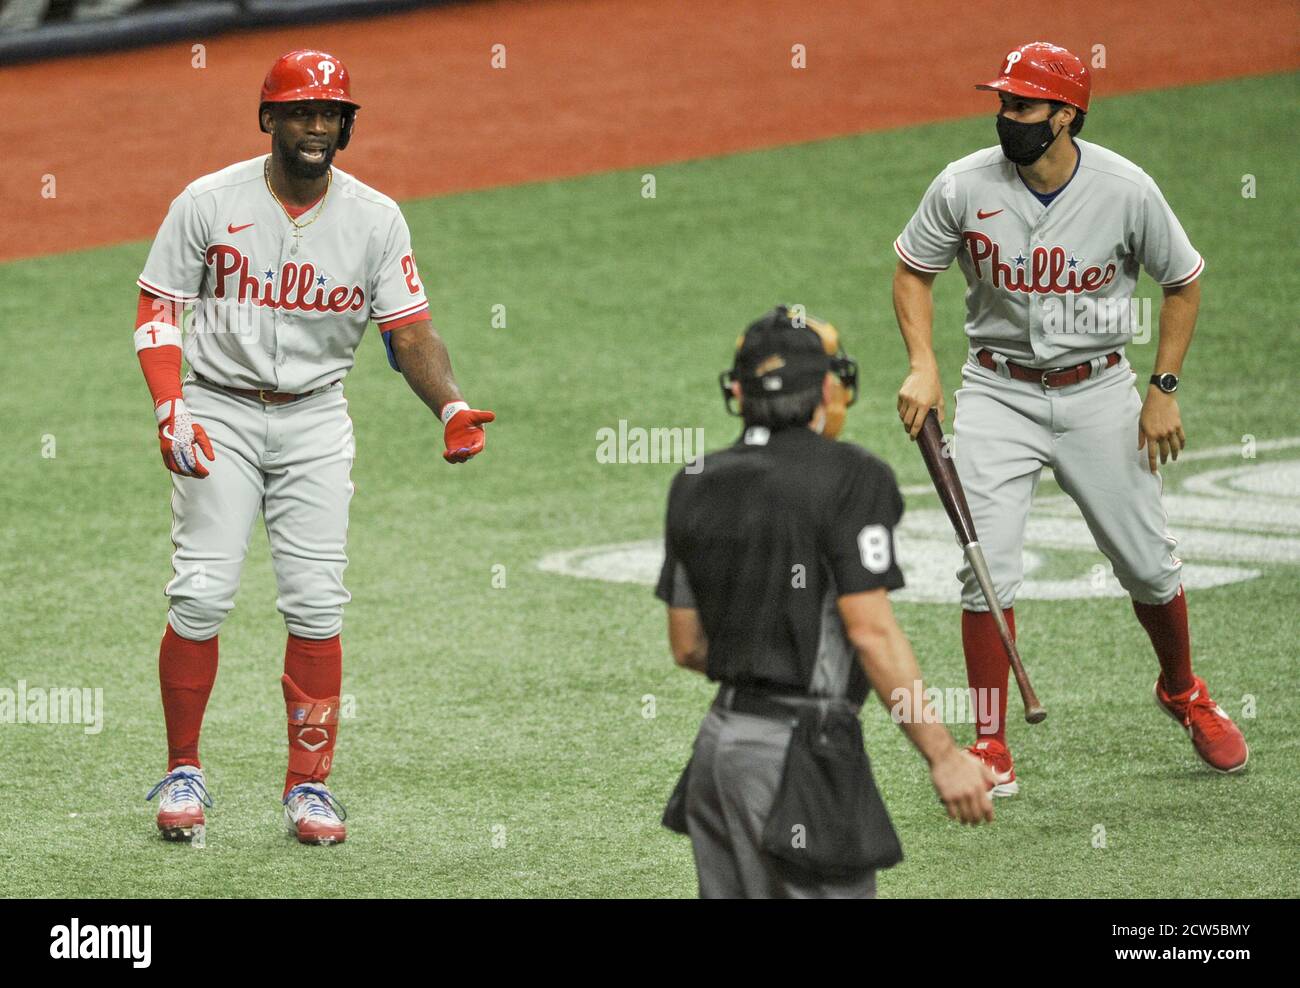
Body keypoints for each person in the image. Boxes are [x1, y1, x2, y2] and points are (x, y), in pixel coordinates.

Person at [136, 50, 494, 844]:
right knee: (199, 594)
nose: (316, 126)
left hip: (314, 420)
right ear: (268, 119)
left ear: (346, 126)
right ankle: (183, 769)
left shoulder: (375, 218)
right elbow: (158, 310)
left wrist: (451, 406)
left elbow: (410, 334)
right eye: (301, 111)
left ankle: (308, 787)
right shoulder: (206, 202)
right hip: (216, 411)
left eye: (331, 114)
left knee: (317, 602)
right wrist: (170, 408)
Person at [892, 42, 1248, 795]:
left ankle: (1183, 692)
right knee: (983, 567)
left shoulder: (1126, 189)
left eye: (1022, 106)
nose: (1006, 117)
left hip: (1099, 392)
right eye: (1004, 103)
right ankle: (990, 745)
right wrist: (923, 362)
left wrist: (1164, 387)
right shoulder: (962, 185)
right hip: (997, 390)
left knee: (1148, 564)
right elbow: (912, 271)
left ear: (1065, 115)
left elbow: (1182, 282)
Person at [657, 306, 993, 899]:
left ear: (739, 391)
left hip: (718, 752)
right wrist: (943, 756)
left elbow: (686, 645)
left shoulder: (695, 478)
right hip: (796, 755)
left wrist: (758, 650)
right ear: (826, 389)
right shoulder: (851, 476)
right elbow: (870, 633)